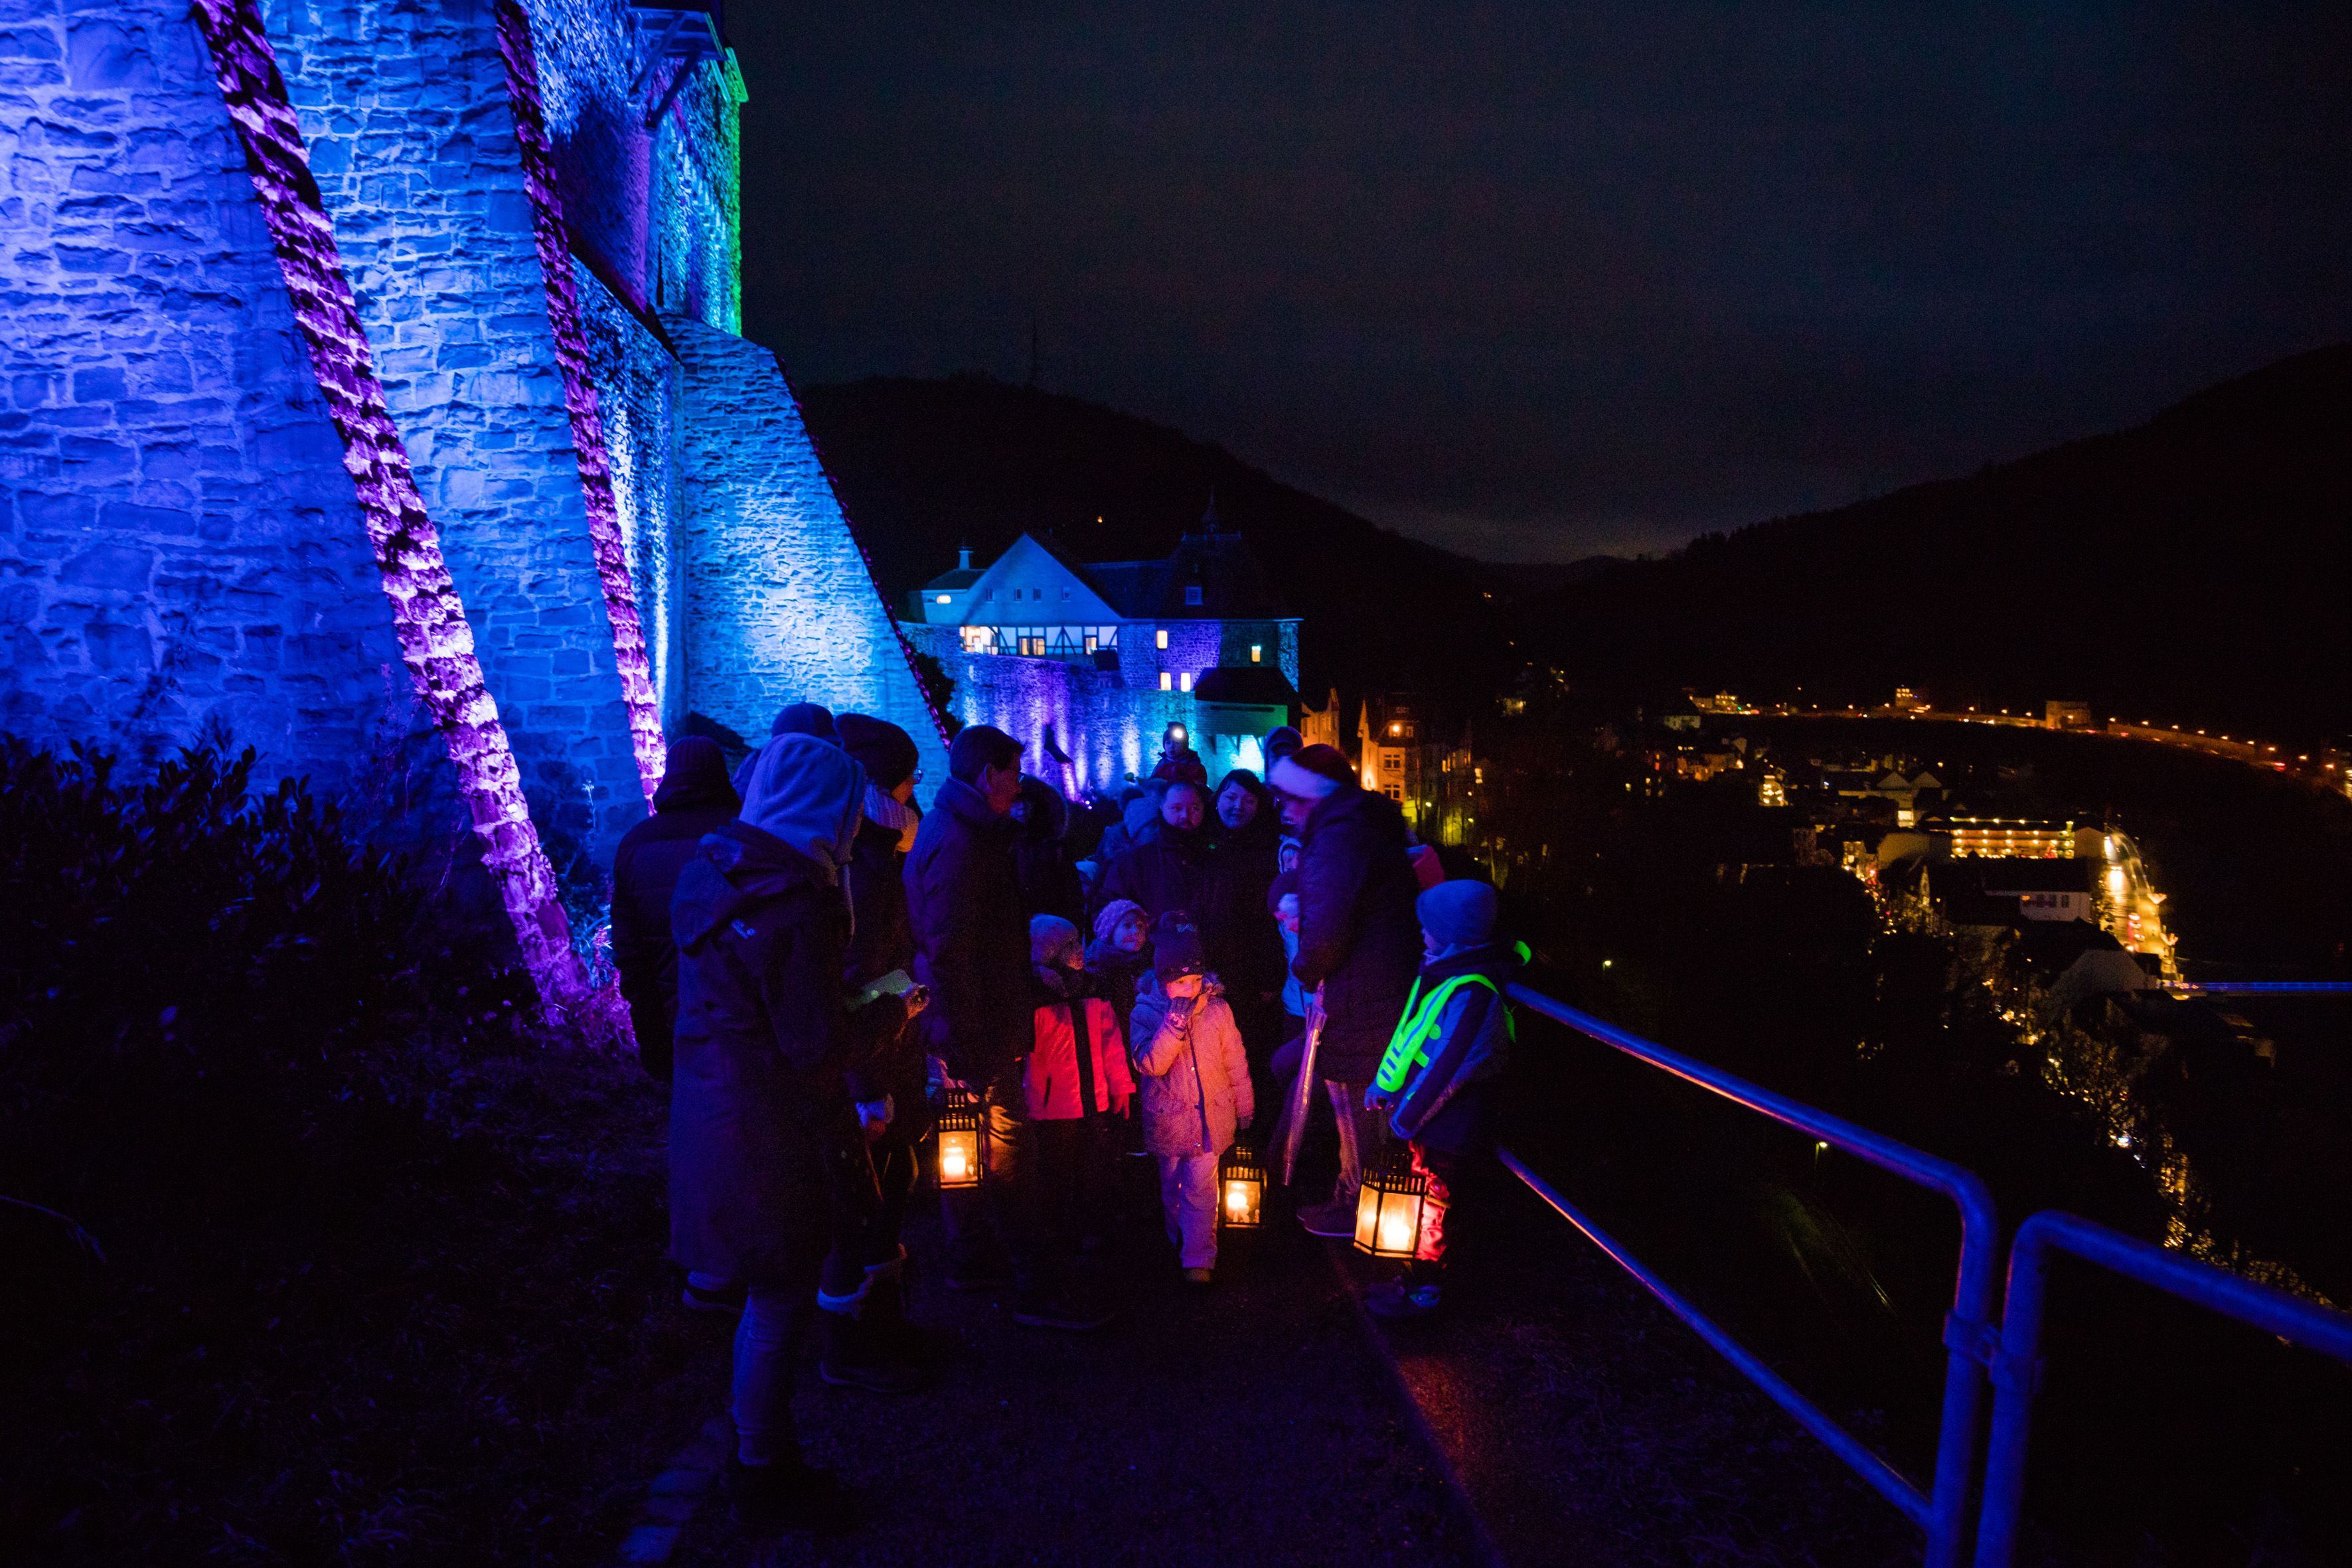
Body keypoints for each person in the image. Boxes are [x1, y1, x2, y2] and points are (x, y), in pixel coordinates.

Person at [668, 730, 867, 1530]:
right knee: (781, 1296)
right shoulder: (792, 903)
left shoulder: (711, 870)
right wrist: (883, 1017)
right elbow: (809, 1041)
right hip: (769, 1126)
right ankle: (762, 1467)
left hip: (713, 1106)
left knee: (762, 1292)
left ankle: (757, 1453)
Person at [904, 724, 1112, 1330]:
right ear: (986, 775)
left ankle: (985, 1263)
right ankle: (1034, 1287)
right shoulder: (964, 844)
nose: (1018, 785)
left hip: (983, 1024)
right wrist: (965, 1041)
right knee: (1008, 1158)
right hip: (981, 1031)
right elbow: (950, 949)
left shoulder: (965, 833)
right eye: (1012, 774)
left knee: (998, 1156)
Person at [1269, 744, 1423, 1239]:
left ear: (1313, 795)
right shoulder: (1365, 825)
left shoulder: (1337, 836)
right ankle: (1360, 1201)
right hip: (1382, 986)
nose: (1285, 808)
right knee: (1367, 1104)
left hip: (1360, 993)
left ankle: (1357, 1208)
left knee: (1353, 1103)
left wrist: (1306, 969)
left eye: (1291, 797)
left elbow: (1327, 929)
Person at [1363, 880, 1525, 1319]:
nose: (1420, 932)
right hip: (1436, 1124)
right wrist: (1388, 1087)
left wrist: (1405, 1118)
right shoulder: (1448, 975)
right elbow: (1418, 1038)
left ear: (1453, 935)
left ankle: (1424, 1291)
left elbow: (1450, 1066)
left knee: (1436, 1207)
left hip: (1451, 1126)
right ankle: (1416, 1277)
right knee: (1429, 1203)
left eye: (1427, 926)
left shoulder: (1473, 991)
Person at [834, 712, 934, 1362]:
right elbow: (852, 977)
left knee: (888, 1181)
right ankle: (863, 1341)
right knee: (871, 1191)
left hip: (888, 1041)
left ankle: (878, 1327)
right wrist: (870, 1083)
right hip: (872, 1054)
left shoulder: (877, 855)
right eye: (908, 781)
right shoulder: (863, 868)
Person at [1129, 917, 1254, 1285]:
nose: (1189, 989)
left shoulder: (1217, 1011)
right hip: (1169, 1119)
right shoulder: (1146, 1014)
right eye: (1180, 982)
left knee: (1202, 1187)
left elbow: (1236, 1062)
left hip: (1210, 1120)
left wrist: (1244, 1107)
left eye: (1195, 980)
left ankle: (1198, 1257)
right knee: (1173, 1184)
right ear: (1164, 981)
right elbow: (1151, 1063)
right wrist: (1172, 1027)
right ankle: (1178, 1236)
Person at [611, 736, 739, 1085]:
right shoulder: (742, 834)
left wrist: (642, 1005)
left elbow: (627, 942)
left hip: (666, 1013)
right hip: (739, 1013)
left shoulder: (636, 842)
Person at [1025, 915, 1135, 1251]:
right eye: (1068, 946)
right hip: (1054, 1103)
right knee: (1057, 1170)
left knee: (1094, 1165)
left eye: (1078, 942)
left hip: (1094, 1097)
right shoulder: (1035, 995)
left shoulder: (1092, 988)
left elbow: (1111, 1041)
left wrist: (1120, 1086)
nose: (1079, 951)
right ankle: (1058, 1234)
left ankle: (1095, 1229)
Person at [1098, 777, 1210, 923]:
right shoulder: (1134, 862)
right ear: (1163, 808)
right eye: (1177, 808)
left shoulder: (1214, 857)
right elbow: (1109, 911)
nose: (1185, 815)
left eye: (1194, 808)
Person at [1012, 775, 1085, 925]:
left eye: (1027, 803)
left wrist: (1071, 928)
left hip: (1054, 927)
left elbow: (1071, 894)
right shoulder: (999, 846)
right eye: (1016, 803)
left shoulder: (1052, 847)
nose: (1023, 809)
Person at [1085, 898, 1154, 1029]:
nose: (1135, 931)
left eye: (1140, 926)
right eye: (1127, 925)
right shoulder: (1096, 968)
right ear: (1109, 931)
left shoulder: (1148, 966)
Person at [1150, 721, 1208, 787]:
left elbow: (1200, 789)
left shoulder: (1195, 767)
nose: (1172, 746)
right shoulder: (1161, 764)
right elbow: (1152, 784)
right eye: (1168, 743)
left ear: (1185, 746)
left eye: (1177, 743)